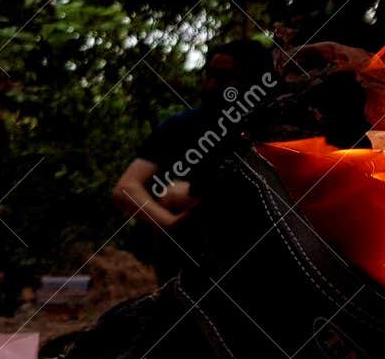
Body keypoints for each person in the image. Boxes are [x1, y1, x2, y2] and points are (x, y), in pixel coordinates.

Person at [113, 40, 275, 249]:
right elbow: (126, 188)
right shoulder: (180, 127)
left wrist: (199, 195)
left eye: (224, 78)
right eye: (209, 75)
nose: (210, 85)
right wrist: (173, 224)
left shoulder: (272, 129)